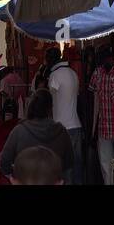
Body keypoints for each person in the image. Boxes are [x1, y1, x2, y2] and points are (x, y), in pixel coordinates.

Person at [0, 89, 74, 183]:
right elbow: (69, 163)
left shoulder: (19, 131)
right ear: (50, 108)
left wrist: (15, 178)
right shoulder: (62, 132)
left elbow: (4, 161)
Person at [89, 45, 114, 185]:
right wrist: (93, 130)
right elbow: (94, 102)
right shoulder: (97, 74)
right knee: (105, 166)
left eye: (104, 59)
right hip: (103, 129)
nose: (102, 62)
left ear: (112, 58)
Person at [46, 46, 84, 185]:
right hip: (76, 126)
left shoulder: (55, 76)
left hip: (61, 128)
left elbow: (50, 100)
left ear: (51, 60)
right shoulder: (73, 74)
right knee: (77, 167)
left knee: (64, 168)